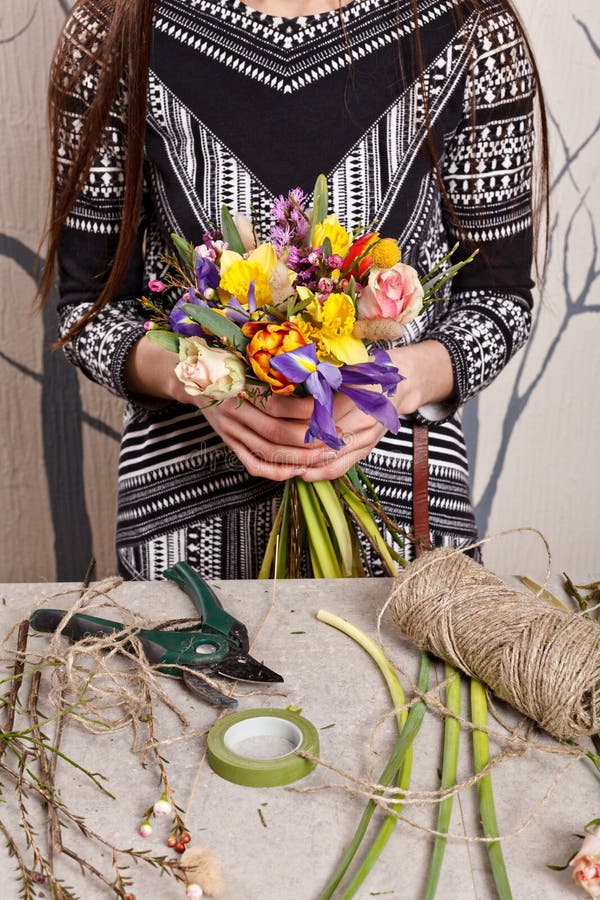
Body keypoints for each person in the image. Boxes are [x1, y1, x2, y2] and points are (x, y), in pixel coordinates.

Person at [39, 0, 548, 579]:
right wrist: (198, 379)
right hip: (183, 546)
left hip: (407, 539)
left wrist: (393, 385)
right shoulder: (112, 28)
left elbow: (499, 298)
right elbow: (89, 306)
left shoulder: (471, 28)